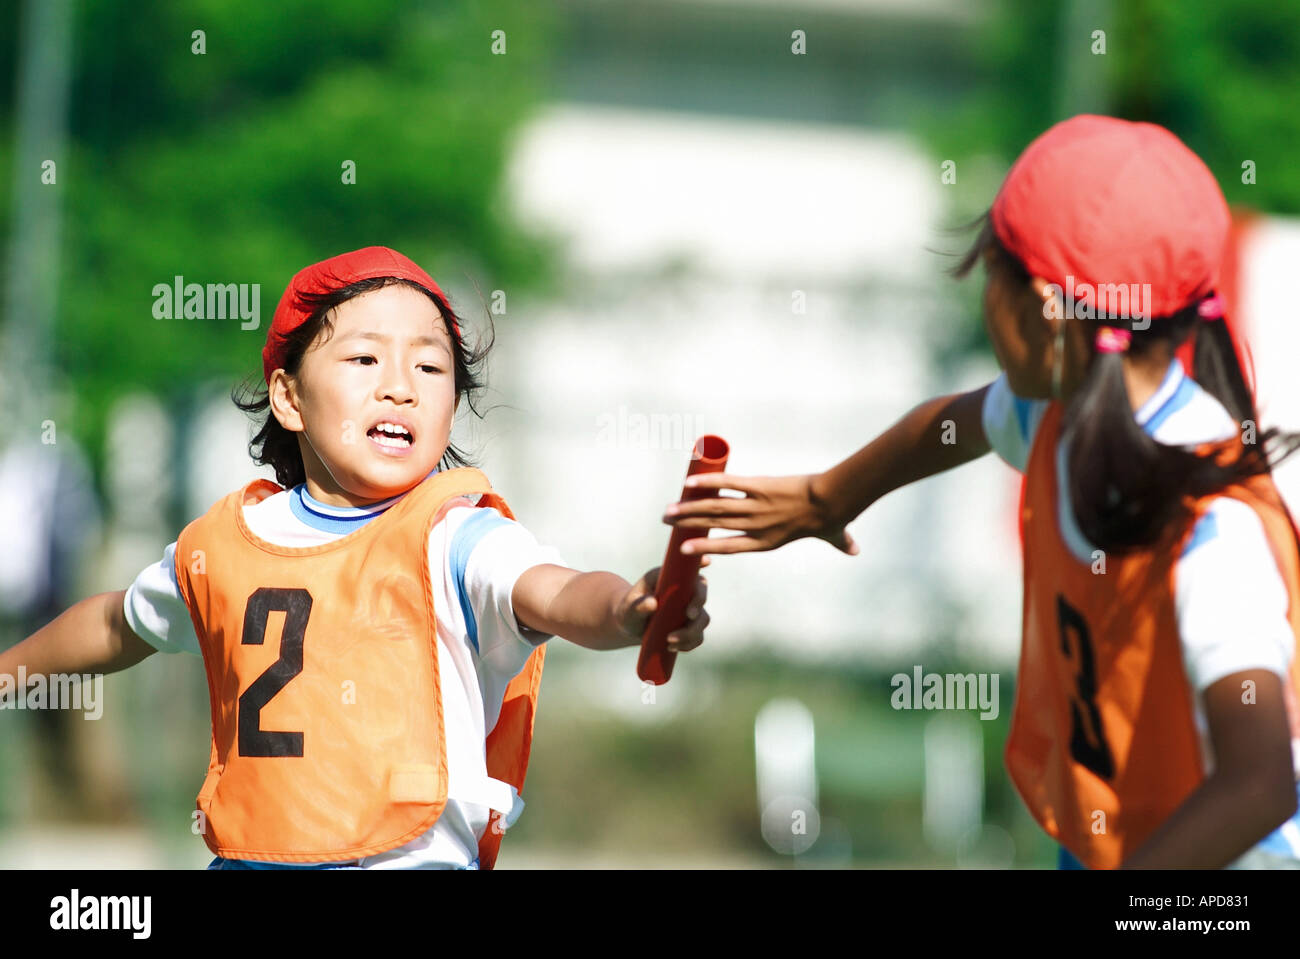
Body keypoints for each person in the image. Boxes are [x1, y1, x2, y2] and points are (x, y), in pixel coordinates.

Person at [663, 115, 1300, 869]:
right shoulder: (1058, 417)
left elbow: (1261, 784)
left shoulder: (1209, 531)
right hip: (1110, 840)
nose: (982, 297)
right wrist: (829, 497)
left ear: (1039, 307)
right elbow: (950, 424)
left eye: (988, 273)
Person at [1, 246, 710, 870]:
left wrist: (630, 608)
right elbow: (114, 625)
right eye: (365, 358)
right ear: (288, 396)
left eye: (430, 366)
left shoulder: (453, 535)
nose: (400, 383)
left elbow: (555, 593)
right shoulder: (224, 544)